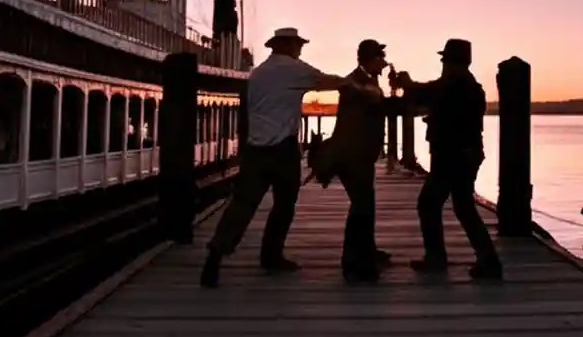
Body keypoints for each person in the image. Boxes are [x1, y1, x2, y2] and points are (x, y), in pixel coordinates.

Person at [201, 27, 378, 288]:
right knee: (284, 205)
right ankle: (271, 255)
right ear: (287, 45)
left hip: (254, 149)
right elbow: (329, 81)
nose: (300, 49)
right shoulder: (294, 69)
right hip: (282, 149)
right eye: (298, 44)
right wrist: (360, 88)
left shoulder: (258, 72)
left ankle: (217, 251)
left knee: (243, 204)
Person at [391, 39, 503, 280]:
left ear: (452, 63)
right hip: (464, 155)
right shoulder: (467, 86)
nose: (443, 65)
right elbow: (430, 94)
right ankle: (487, 261)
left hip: (452, 156)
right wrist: (410, 87)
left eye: (445, 61)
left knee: (429, 204)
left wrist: (408, 85)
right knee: (463, 207)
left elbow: (428, 93)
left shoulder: (457, 86)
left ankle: (438, 258)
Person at [329, 39, 396, 283]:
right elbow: (365, 103)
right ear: (371, 58)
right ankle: (353, 263)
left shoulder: (370, 80)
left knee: (366, 204)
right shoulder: (354, 82)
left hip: (363, 155)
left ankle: (367, 251)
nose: (384, 62)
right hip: (352, 155)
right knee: (361, 207)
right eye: (381, 57)